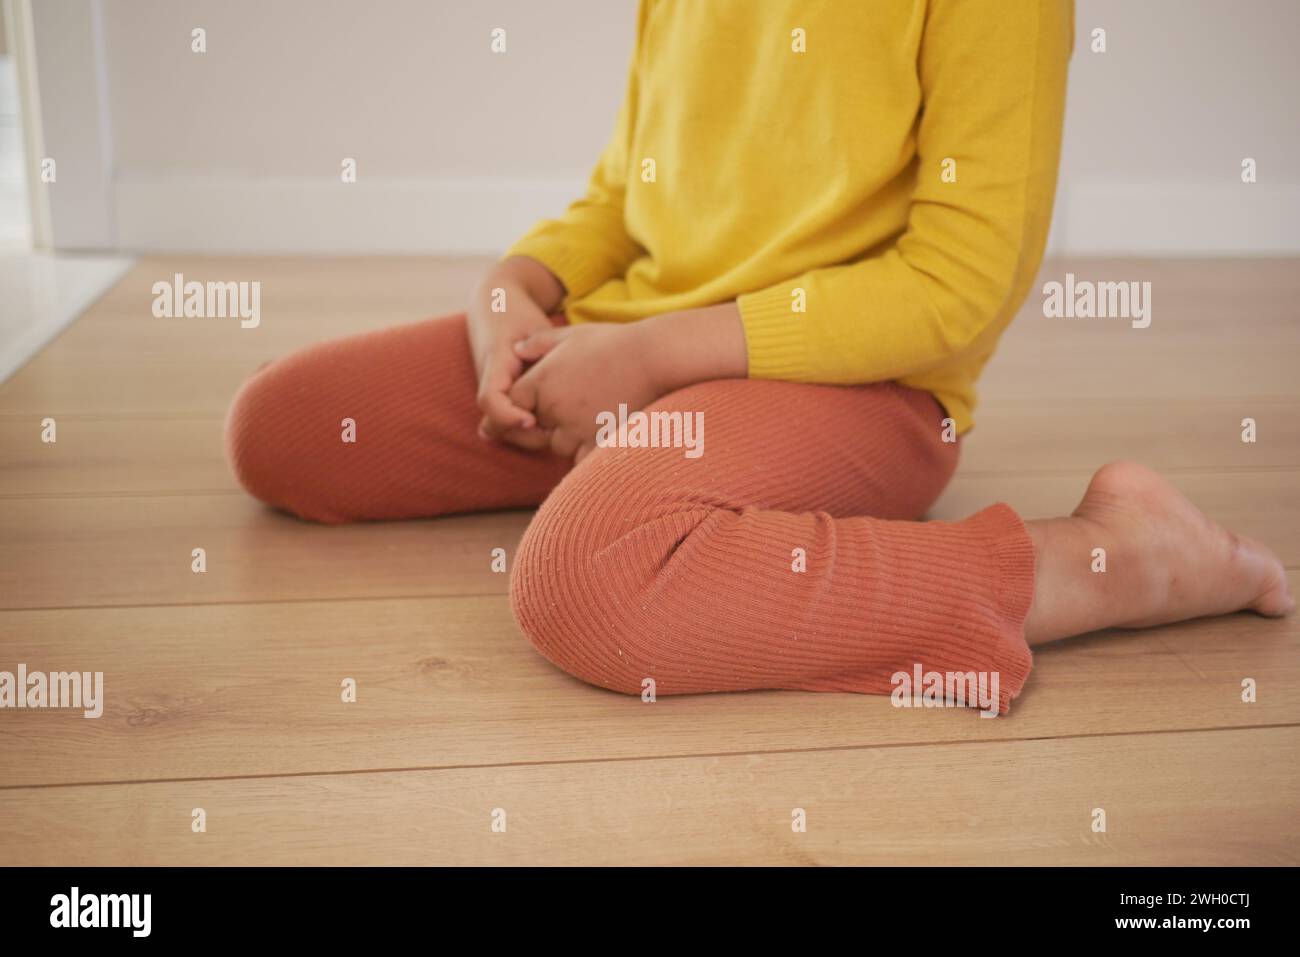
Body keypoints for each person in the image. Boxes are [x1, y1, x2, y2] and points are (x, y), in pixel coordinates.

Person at [225, 0, 1292, 714]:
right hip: (640, 338)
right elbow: (626, 188)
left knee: (584, 584)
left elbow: (959, 287)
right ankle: (649, 470)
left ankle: (1112, 559)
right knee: (284, 429)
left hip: (861, 386)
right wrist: (516, 289)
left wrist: (652, 357)